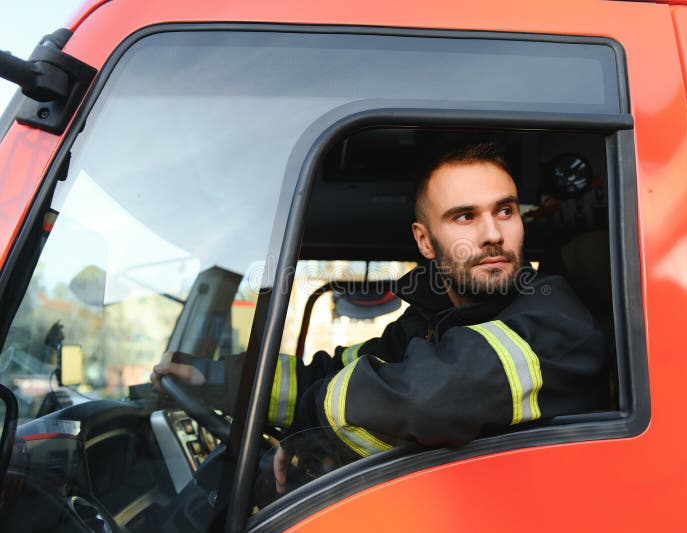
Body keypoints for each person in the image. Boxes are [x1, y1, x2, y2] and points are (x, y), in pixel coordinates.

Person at [152, 142, 608, 494]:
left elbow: (421, 398)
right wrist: (215, 378)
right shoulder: (434, 320)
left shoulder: (556, 322)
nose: (491, 234)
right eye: (465, 217)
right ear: (425, 242)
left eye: (504, 211)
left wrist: (310, 444)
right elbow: (334, 374)